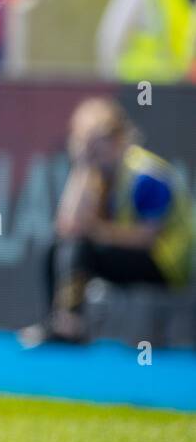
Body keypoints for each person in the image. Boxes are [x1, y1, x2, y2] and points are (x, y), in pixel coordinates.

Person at [19, 97, 192, 347]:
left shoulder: (146, 177)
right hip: (128, 253)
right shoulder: (98, 172)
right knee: (56, 247)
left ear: (119, 139)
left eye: (98, 145)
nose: (95, 153)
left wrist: (98, 232)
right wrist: (82, 166)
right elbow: (67, 225)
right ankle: (58, 319)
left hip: (167, 264)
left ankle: (71, 323)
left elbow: (148, 238)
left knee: (82, 247)